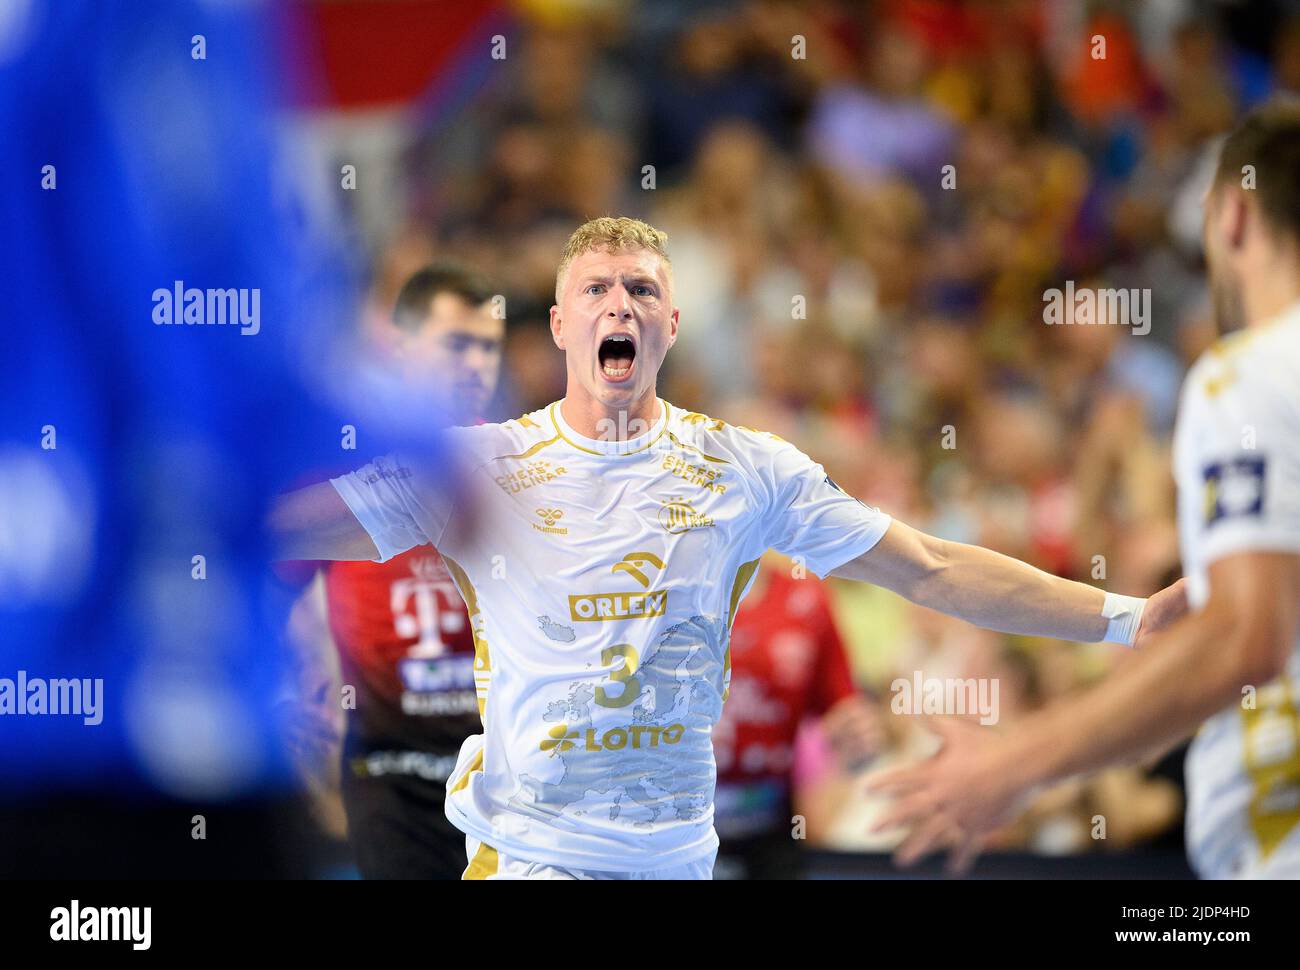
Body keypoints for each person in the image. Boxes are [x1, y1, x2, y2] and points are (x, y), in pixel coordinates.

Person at [269, 215, 1186, 880]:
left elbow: (932, 566)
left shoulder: (744, 469)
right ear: (559, 328)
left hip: (678, 858)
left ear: (670, 325)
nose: (618, 305)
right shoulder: (482, 467)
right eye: (595, 289)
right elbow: (286, 523)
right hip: (532, 857)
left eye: (641, 290)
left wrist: (1127, 617)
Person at [867, 101, 1300, 880]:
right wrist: (1129, 618)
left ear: (1234, 216)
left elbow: (1248, 639)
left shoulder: (1252, 375)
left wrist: (1014, 765)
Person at [284, 264, 505, 878]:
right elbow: (272, 573)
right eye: (456, 344)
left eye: (488, 347)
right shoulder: (342, 465)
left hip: (499, 776)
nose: (476, 365)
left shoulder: (520, 465)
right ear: (400, 345)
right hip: (389, 772)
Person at [711, 553, 884, 879]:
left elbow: (844, 713)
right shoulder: (652, 593)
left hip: (772, 829)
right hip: (666, 823)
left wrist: (859, 739)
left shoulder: (806, 598)